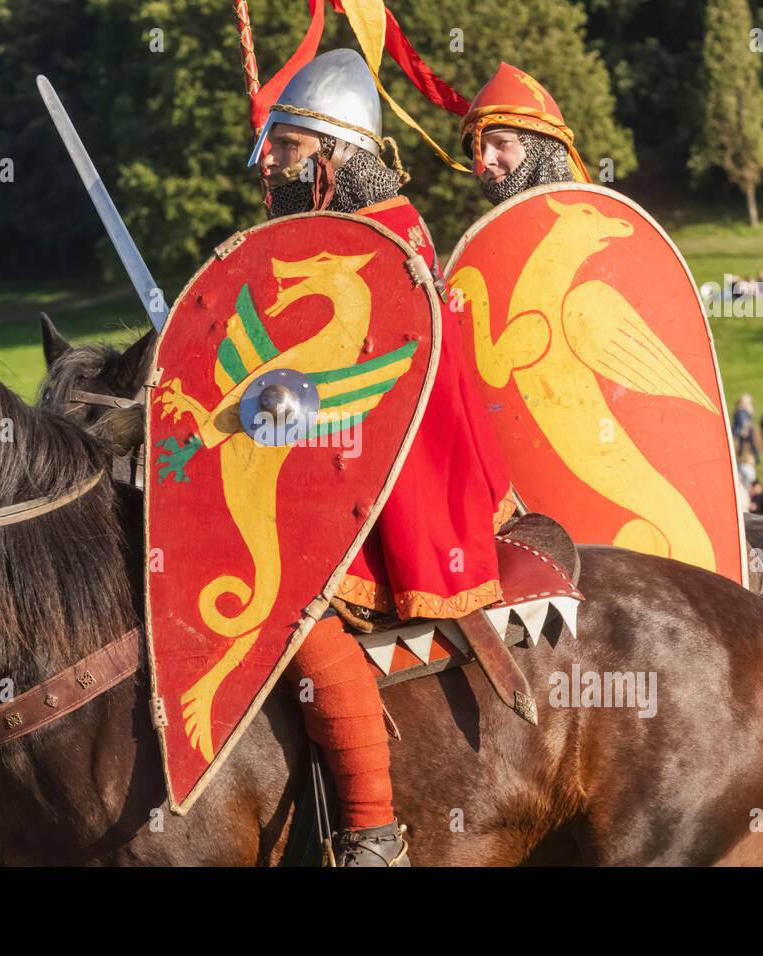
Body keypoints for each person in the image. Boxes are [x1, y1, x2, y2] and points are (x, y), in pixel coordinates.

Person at [252, 49, 513, 866]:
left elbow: (366, 401)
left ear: (333, 159)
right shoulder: (338, 237)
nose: (273, 166)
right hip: (328, 473)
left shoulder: (382, 244)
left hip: (386, 490)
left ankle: (371, 833)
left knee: (294, 611)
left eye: (290, 149)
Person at [458, 61, 591, 208]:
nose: (484, 161)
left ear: (542, 148)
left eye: (501, 143)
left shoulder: (589, 226)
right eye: (478, 149)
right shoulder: (500, 230)